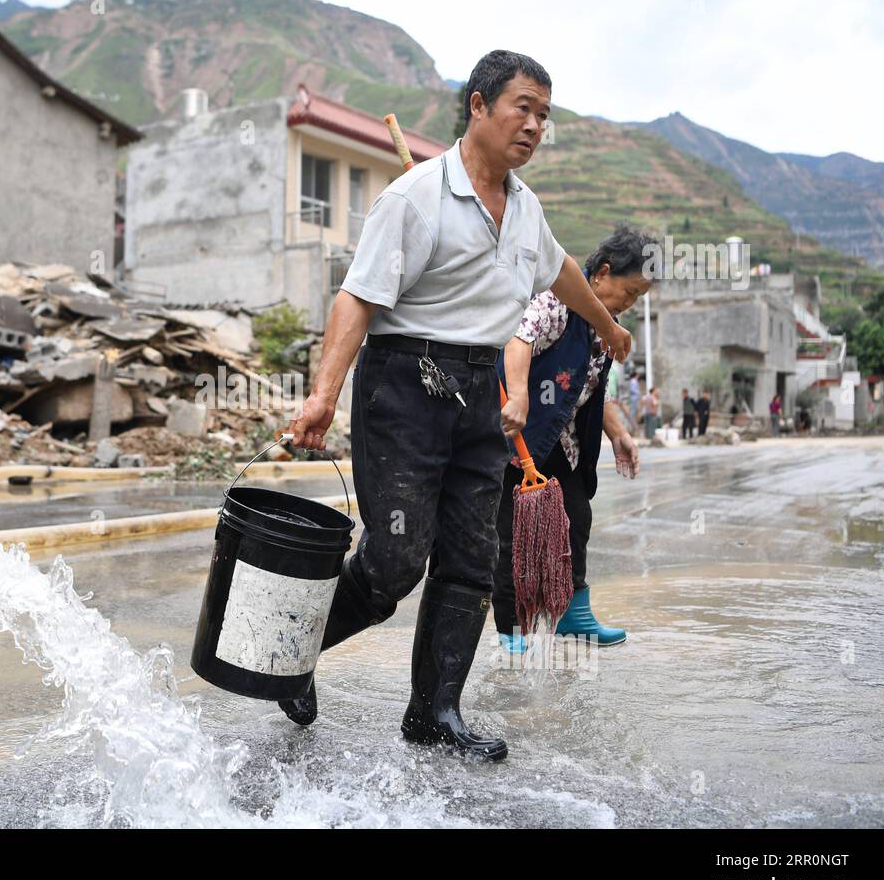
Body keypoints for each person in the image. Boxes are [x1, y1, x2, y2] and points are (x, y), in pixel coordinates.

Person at [281, 50, 631, 761]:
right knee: (394, 561)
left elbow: (562, 270)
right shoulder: (413, 197)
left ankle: (434, 712)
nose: (534, 125)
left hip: (482, 395)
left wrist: (605, 323)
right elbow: (356, 297)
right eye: (521, 108)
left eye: (543, 114)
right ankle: (294, 652)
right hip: (405, 383)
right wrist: (322, 395)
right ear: (477, 106)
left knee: (472, 562)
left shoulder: (526, 210)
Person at [493, 225, 655, 651]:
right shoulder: (557, 304)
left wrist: (619, 434)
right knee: (514, 536)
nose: (629, 303)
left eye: (638, 298)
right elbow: (518, 340)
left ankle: (573, 616)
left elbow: (590, 392)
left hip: (563, 445)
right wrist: (521, 394)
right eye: (630, 291)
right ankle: (512, 630)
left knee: (575, 522)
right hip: (520, 439)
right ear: (601, 273)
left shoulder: (607, 331)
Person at [627, 368, 641, 437]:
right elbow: (633, 390)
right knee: (633, 411)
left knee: (635, 411)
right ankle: (632, 422)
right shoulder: (633, 381)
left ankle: (633, 422)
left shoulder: (633, 381)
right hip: (634, 397)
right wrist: (638, 392)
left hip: (635, 398)